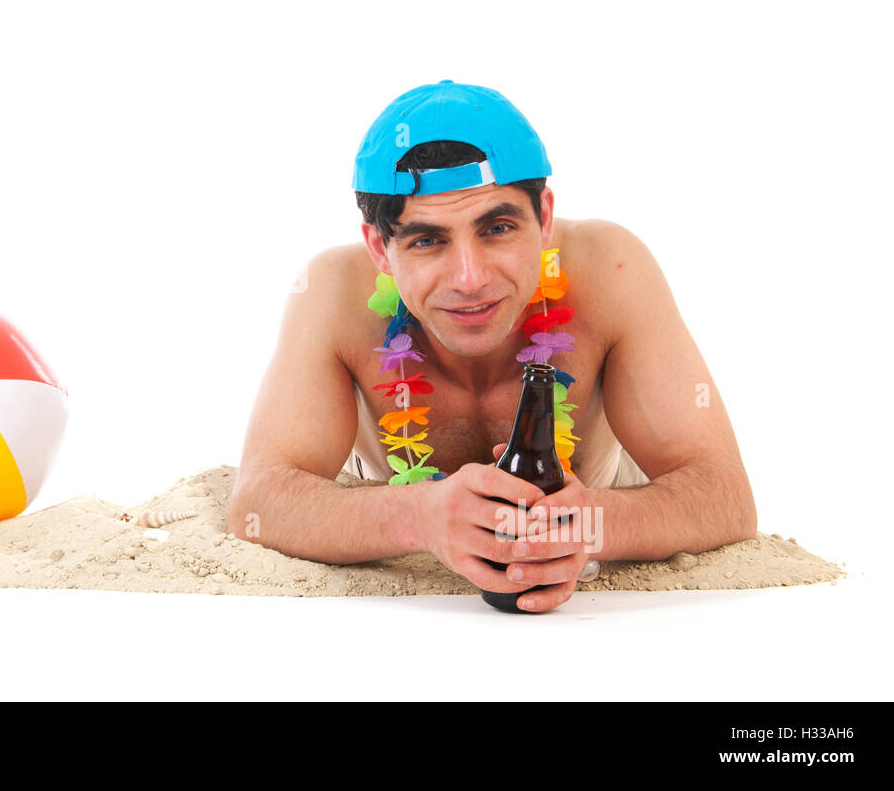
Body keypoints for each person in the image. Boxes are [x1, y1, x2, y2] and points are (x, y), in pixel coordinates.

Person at [227, 80, 757, 612]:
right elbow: (259, 500)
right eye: (428, 240)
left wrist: (587, 524)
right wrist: (416, 516)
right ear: (379, 249)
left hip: (597, 492)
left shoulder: (613, 268)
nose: (469, 278)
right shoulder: (330, 291)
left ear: (544, 218)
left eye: (498, 227)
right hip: (396, 497)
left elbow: (725, 498)